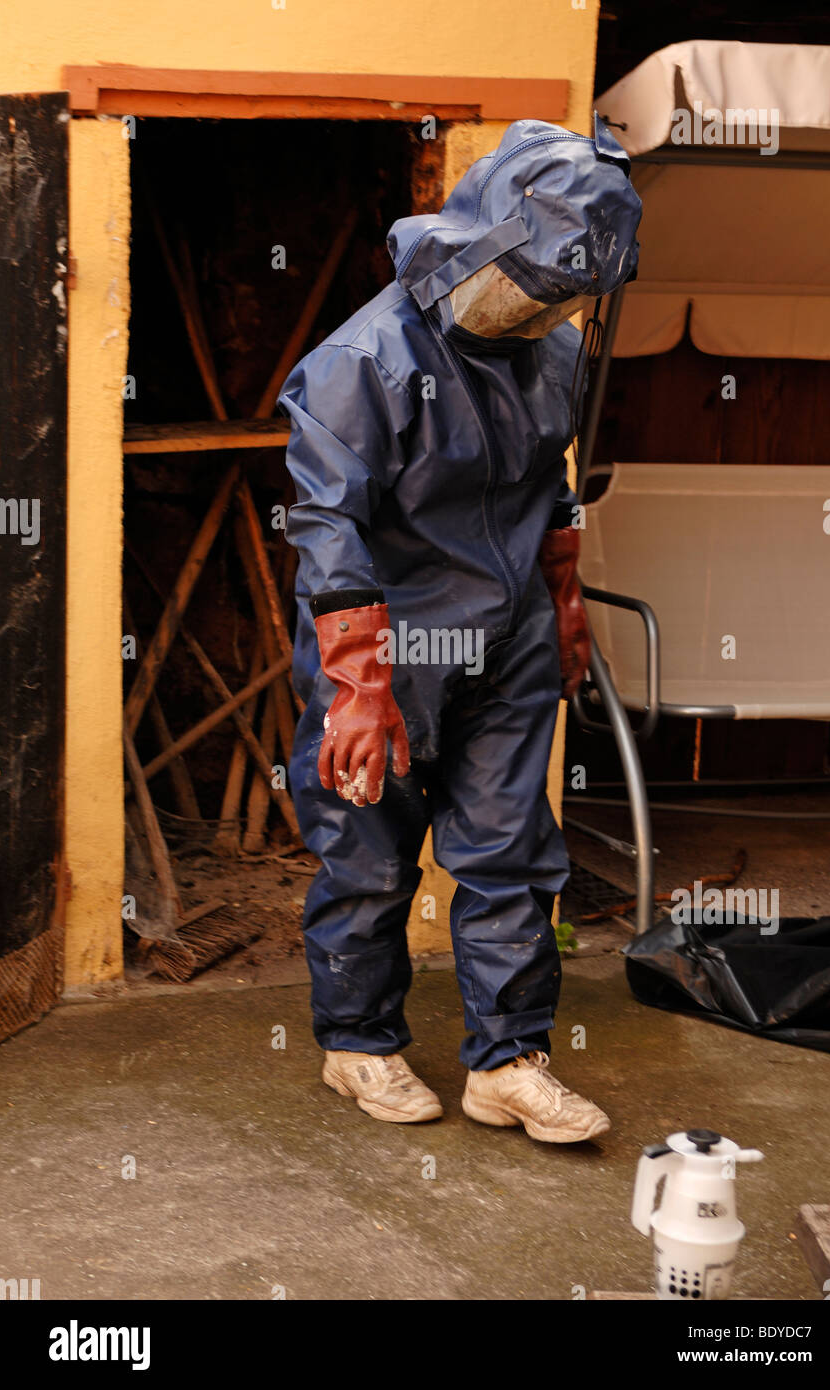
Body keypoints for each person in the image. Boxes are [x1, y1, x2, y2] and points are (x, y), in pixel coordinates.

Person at [278, 116, 641, 1142]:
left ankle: (506, 1059)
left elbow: (549, 484)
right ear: (479, 244)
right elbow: (326, 522)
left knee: (511, 853)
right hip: (385, 645)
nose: (552, 311)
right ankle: (357, 1044)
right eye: (538, 286)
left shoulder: (550, 348)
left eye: (572, 295)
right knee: (368, 856)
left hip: (509, 635)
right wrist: (354, 683)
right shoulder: (360, 362)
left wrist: (563, 597)